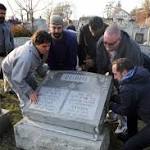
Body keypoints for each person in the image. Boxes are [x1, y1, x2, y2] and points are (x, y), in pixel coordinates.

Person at [1, 30, 51, 111]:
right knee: (25, 97)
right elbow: (17, 78)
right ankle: (26, 115)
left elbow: (38, 64)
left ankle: (38, 109)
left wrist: (45, 75)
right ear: (36, 44)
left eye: (49, 45)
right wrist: (30, 92)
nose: (47, 49)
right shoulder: (26, 58)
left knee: (36, 89)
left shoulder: (41, 51)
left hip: (24, 70)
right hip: (11, 71)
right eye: (44, 46)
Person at [111, 58, 150, 150]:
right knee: (132, 114)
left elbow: (124, 110)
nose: (115, 77)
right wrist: (114, 98)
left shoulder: (127, 88)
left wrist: (110, 105)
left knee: (128, 147)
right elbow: (131, 100)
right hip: (146, 108)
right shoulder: (142, 75)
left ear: (124, 72)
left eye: (115, 74)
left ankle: (132, 141)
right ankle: (131, 135)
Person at [0, 3, 14, 92]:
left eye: (4, 13)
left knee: (7, 71)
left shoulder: (7, 24)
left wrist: (13, 48)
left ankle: (7, 89)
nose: (2, 15)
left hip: (7, 53)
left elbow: (11, 37)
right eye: (0, 13)